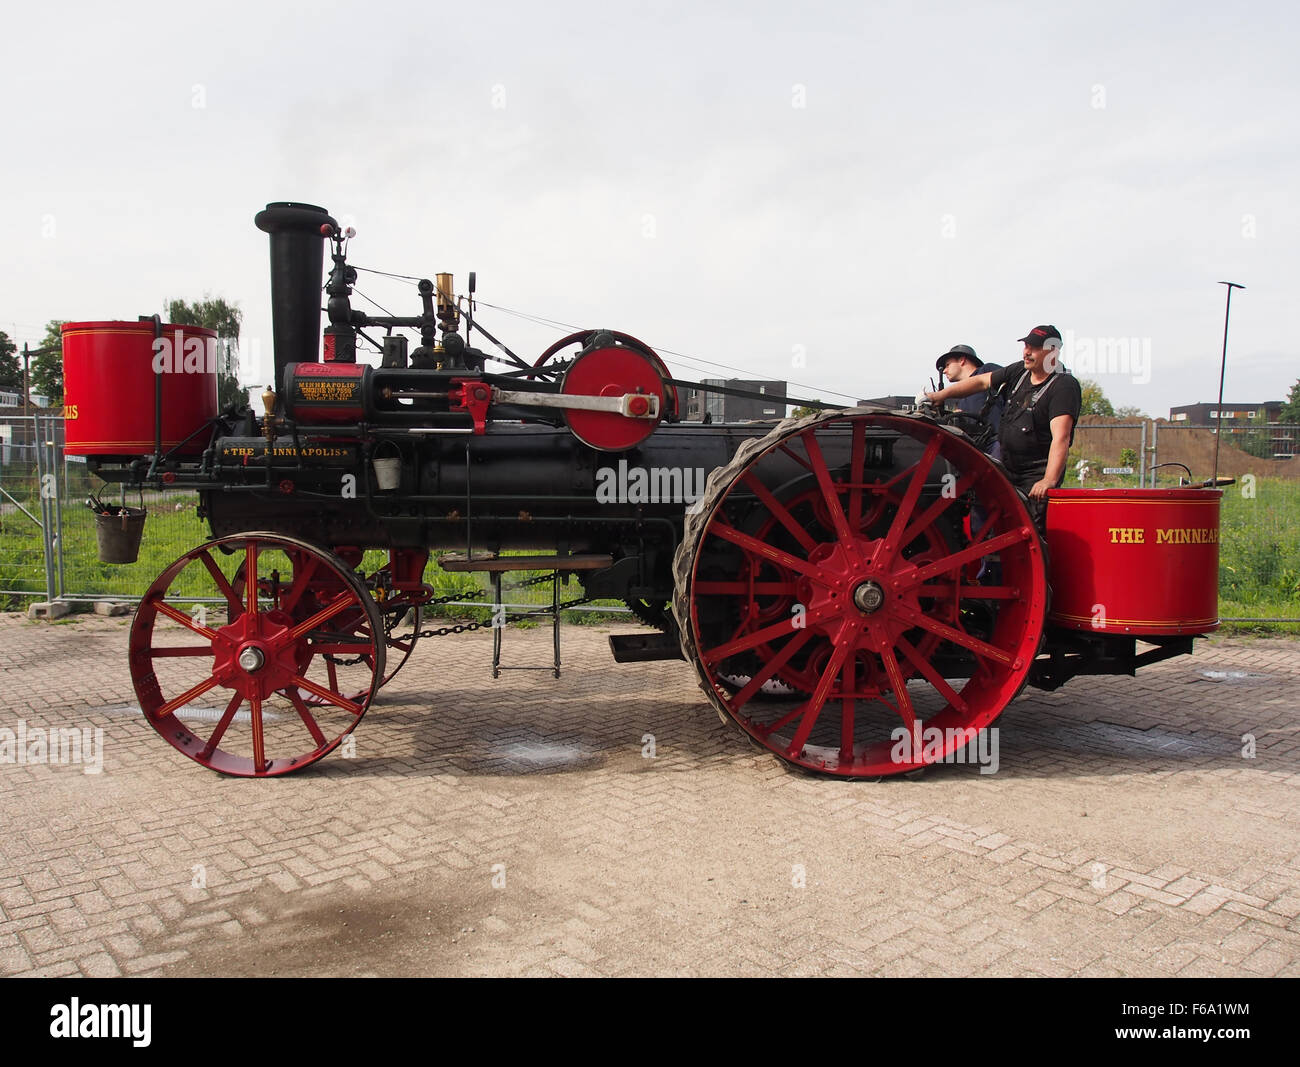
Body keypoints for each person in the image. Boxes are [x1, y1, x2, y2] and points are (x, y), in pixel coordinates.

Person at [925, 325, 1081, 530]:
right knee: (992, 528)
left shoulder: (1063, 386)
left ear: (1053, 351)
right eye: (1026, 345)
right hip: (1007, 469)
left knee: (1028, 533)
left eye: (1033, 347)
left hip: (1033, 479)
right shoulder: (1019, 371)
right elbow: (981, 381)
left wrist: (1048, 480)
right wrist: (940, 396)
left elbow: (1061, 437)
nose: (1026, 352)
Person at [934, 344, 1003, 457]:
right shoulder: (962, 400)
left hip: (996, 443)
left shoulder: (987, 370)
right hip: (978, 447)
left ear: (962, 360)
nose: (945, 370)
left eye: (947, 365)